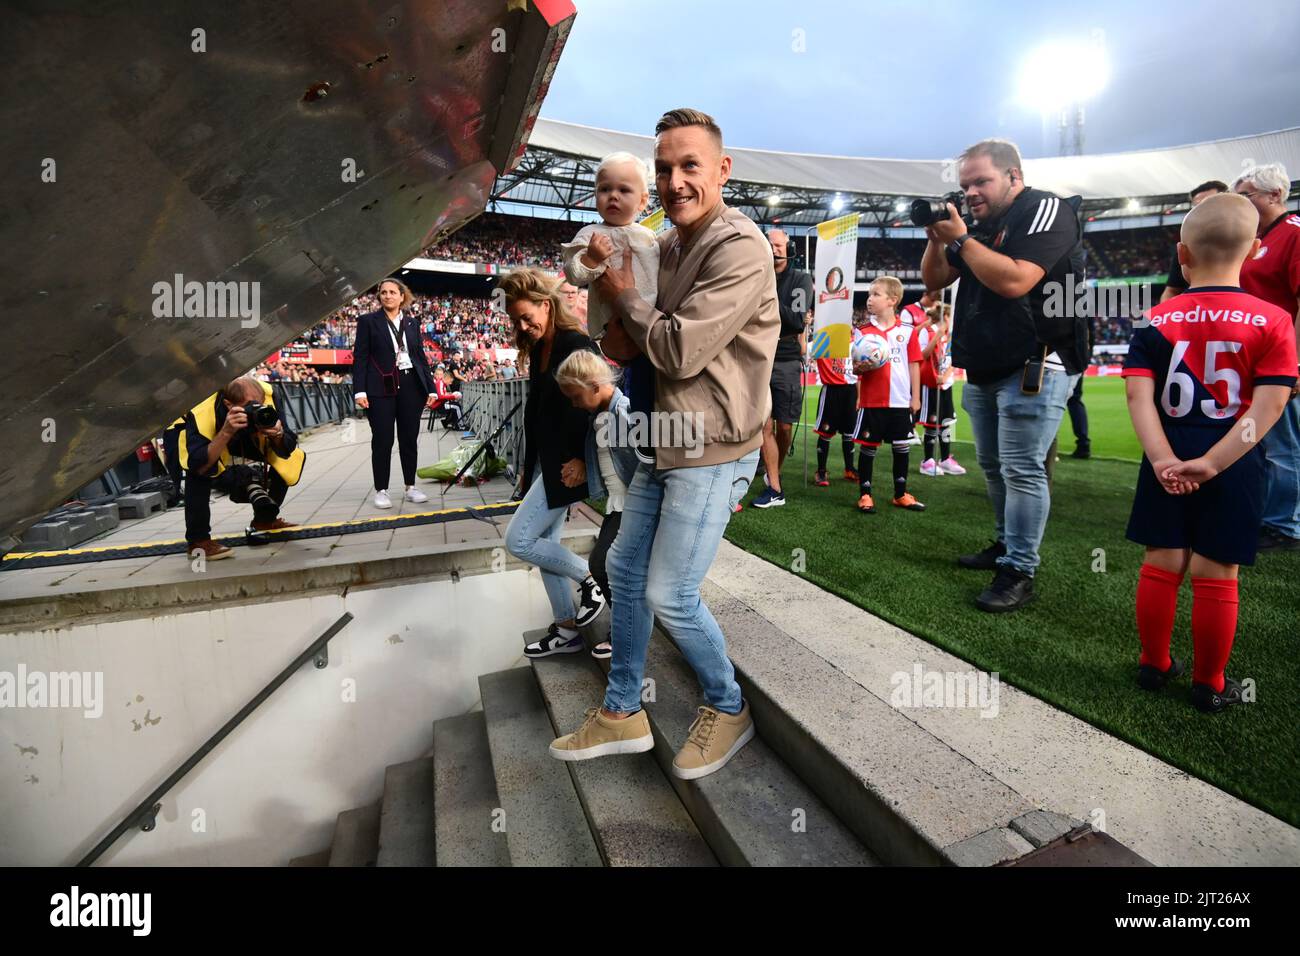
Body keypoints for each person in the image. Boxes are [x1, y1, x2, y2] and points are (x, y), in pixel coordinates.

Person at [548, 108, 779, 780]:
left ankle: (728, 704)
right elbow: (628, 341)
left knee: (669, 593)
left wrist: (619, 293)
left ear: (722, 171)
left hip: (711, 449)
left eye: (689, 167)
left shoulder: (738, 245)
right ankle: (622, 711)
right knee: (622, 574)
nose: (676, 182)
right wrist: (616, 315)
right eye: (665, 170)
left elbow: (675, 348)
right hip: (659, 438)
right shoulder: (669, 243)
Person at [1122, 192, 1297, 712]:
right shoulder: (1274, 321)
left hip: (1169, 454)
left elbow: (1139, 396)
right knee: (1217, 572)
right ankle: (1209, 683)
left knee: (1162, 561)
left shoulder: (1154, 319)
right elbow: (1268, 407)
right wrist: (1215, 463)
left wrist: (1161, 460)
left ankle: (1154, 664)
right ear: (1256, 251)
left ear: (1182, 254)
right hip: (1236, 461)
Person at [921, 138, 1088, 612]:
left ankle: (1020, 568)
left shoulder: (1045, 209)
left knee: (1021, 469)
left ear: (1014, 176)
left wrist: (961, 239)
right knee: (995, 467)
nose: (970, 192)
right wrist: (939, 237)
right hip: (987, 361)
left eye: (980, 181)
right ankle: (1004, 545)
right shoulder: (975, 227)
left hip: (1036, 359)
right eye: (964, 184)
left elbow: (1015, 279)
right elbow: (934, 280)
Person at [499, 269, 609, 656]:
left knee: (519, 540)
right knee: (546, 544)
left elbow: (595, 404)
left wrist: (582, 456)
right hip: (546, 462)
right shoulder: (539, 348)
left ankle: (588, 579)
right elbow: (536, 415)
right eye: (516, 320)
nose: (523, 326)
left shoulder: (575, 341)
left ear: (547, 305)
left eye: (528, 317)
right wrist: (529, 468)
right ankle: (566, 628)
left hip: (568, 463)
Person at [555, 349, 640, 660]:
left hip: (632, 504)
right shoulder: (599, 417)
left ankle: (625, 633)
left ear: (594, 385)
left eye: (576, 396)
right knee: (607, 566)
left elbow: (643, 463)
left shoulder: (624, 412)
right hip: (617, 504)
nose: (574, 404)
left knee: (602, 564)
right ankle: (624, 630)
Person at [1233, 163, 1300, 552]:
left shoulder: (1292, 234)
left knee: (1283, 445)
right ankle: (1270, 517)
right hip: (1255, 360)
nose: (1241, 204)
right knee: (1262, 443)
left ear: (1275, 195)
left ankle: (1284, 526)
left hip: (1279, 362)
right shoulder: (1260, 238)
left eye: (1247, 196)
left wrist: (1294, 364)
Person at [178, 375, 304, 560]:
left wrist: (277, 434)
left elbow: (289, 444)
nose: (256, 409)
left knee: (287, 458)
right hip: (204, 433)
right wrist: (226, 432)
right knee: (197, 474)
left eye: (258, 405)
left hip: (241, 431)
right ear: (229, 405)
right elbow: (199, 464)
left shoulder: (269, 396)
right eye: (250, 406)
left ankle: (265, 519)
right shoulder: (203, 410)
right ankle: (198, 541)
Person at [352, 278, 440, 510]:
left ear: (402, 296)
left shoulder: (412, 323)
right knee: (382, 439)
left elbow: (420, 357)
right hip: (380, 385)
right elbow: (360, 357)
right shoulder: (368, 321)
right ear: (379, 297)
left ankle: (411, 486)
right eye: (383, 292)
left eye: (393, 292)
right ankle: (381, 490)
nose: (388, 296)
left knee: (409, 438)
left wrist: (430, 387)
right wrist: (359, 390)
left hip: (410, 383)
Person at [561, 152, 659, 341]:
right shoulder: (590, 234)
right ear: (595, 194)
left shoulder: (648, 235)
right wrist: (590, 259)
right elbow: (573, 276)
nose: (613, 196)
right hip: (610, 323)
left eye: (624, 190)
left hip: (649, 320)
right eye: (605, 189)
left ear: (643, 201)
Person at [851, 276, 925, 514]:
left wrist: (915, 397)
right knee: (868, 447)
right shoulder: (862, 332)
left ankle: (900, 494)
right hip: (873, 400)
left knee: (901, 447)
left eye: (875, 294)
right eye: (870, 294)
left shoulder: (907, 331)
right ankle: (865, 494)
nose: (869, 299)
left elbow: (914, 364)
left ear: (892, 300)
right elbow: (854, 367)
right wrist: (858, 368)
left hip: (900, 400)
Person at [752, 228, 814, 509]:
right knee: (763, 423)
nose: (774, 249)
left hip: (786, 357)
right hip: (757, 355)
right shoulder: (755, 274)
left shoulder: (801, 279)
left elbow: (797, 321)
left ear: (788, 247)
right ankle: (775, 484)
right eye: (769, 244)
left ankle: (773, 467)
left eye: (778, 245)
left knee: (784, 425)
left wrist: (765, 296)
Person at [916, 304, 966, 476]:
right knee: (932, 423)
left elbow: (955, 356)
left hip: (945, 383)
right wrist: (937, 336)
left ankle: (945, 459)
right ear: (945, 316)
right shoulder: (928, 331)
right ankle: (928, 461)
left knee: (945, 422)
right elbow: (921, 355)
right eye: (949, 316)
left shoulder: (952, 334)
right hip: (930, 384)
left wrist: (946, 376)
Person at [1159, 181, 1229, 303]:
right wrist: (1167, 317)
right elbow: (1171, 291)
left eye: (1208, 204)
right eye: (1196, 207)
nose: (1202, 212)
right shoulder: (1187, 246)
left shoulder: (1247, 240)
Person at [812, 320, 862, 487]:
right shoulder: (824, 340)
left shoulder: (857, 344)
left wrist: (860, 397)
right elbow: (805, 350)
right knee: (825, 432)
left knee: (849, 433)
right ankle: (821, 471)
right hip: (832, 391)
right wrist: (805, 328)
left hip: (851, 392)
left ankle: (849, 469)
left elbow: (860, 375)